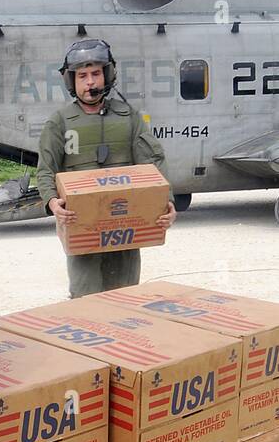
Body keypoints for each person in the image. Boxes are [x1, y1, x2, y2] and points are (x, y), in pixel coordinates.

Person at [36, 38, 177, 298]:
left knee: (126, 296)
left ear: (107, 75)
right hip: (83, 226)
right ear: (72, 81)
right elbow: (46, 169)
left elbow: (153, 164)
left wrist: (166, 203)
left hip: (126, 225)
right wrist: (53, 203)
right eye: (82, 76)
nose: (90, 82)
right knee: (85, 297)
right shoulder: (60, 123)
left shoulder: (129, 118)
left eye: (96, 73)